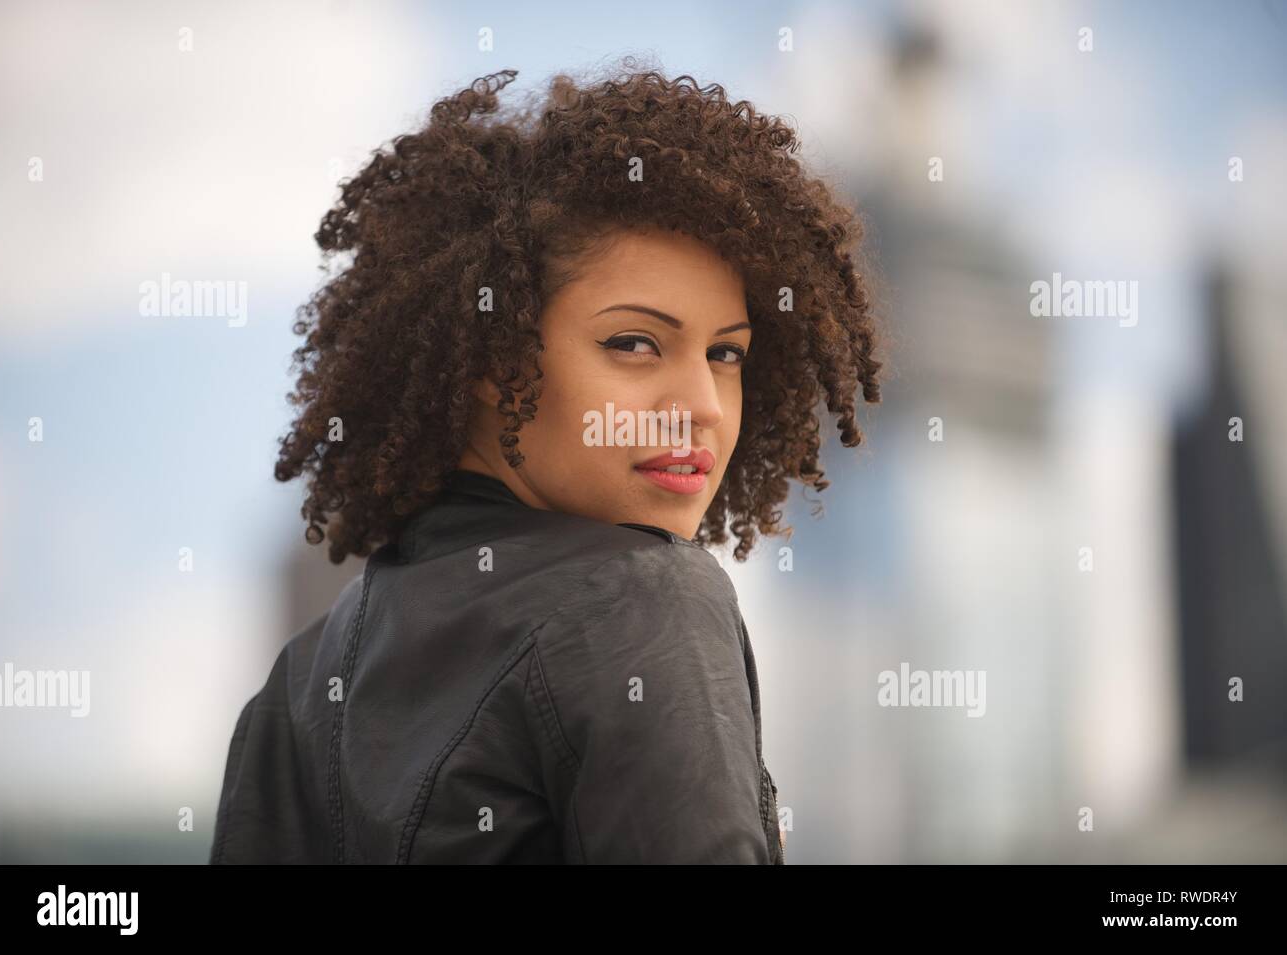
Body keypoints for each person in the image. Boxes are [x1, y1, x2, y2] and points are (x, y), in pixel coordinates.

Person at [209, 60, 883, 864]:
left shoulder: (292, 690)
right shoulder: (641, 598)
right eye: (634, 342)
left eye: (727, 354)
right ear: (498, 359)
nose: (702, 403)